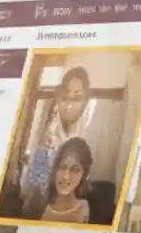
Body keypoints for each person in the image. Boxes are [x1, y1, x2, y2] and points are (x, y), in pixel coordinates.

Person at [18, 67, 91, 201]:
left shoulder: (89, 138)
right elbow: (35, 187)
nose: (68, 106)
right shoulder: (48, 133)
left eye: (76, 99)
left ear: (85, 101)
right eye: (65, 98)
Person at [22, 137, 94, 224]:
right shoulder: (39, 202)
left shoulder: (83, 209)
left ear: (83, 174)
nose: (66, 176)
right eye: (63, 167)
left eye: (75, 170)